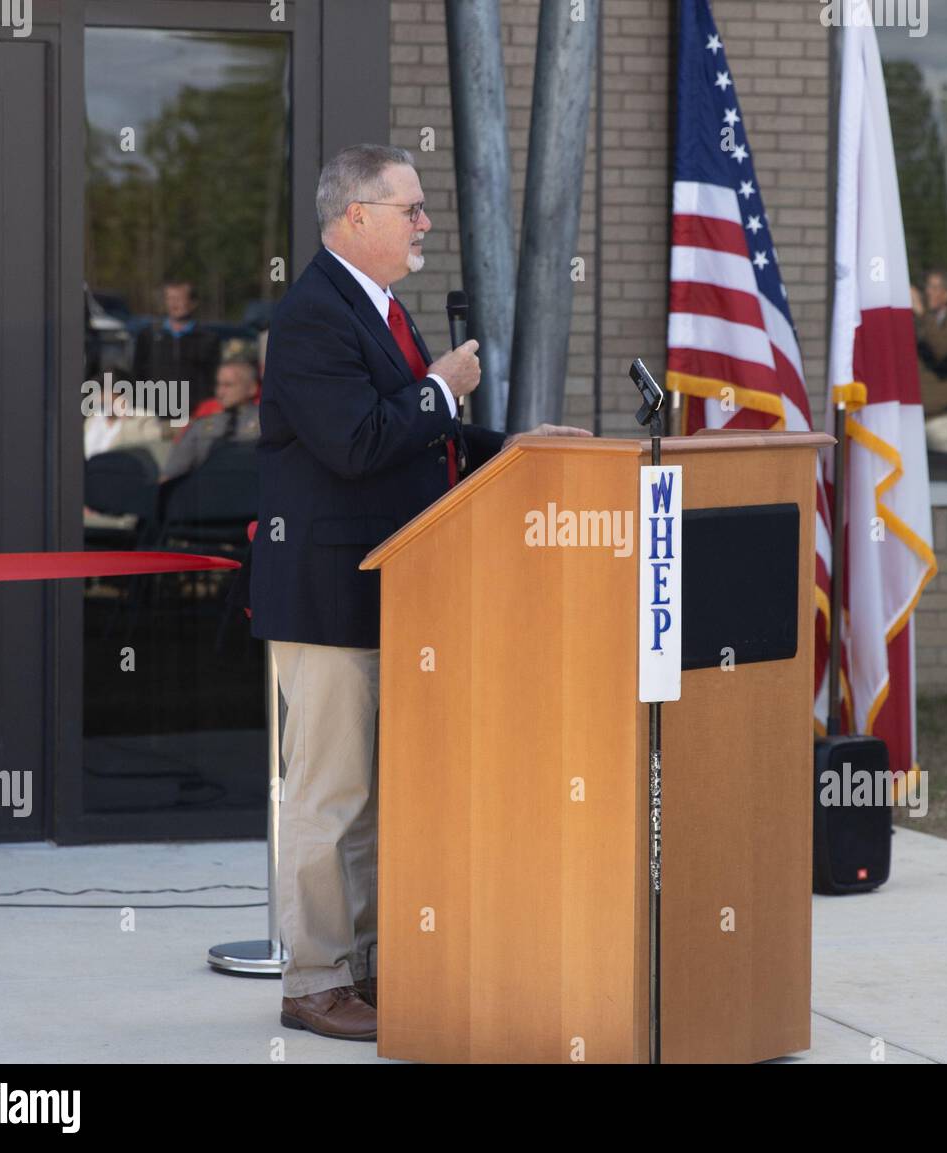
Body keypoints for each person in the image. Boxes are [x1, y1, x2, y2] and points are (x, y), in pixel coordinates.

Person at [250, 143, 590, 1042]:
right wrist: (442, 388)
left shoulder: (383, 307)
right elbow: (358, 443)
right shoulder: (314, 316)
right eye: (411, 208)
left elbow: (415, 441)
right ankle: (314, 979)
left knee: (373, 792)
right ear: (355, 216)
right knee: (327, 794)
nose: (425, 224)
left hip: (392, 592)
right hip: (328, 596)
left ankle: (363, 965)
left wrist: (516, 446)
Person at [158, 357, 261, 482]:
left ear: (252, 388)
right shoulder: (202, 425)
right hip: (209, 492)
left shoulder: (266, 422)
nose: (220, 392)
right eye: (219, 385)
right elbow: (173, 471)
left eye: (228, 385)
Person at [132, 279, 222, 407]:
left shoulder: (207, 338)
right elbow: (138, 374)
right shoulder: (148, 336)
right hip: (155, 413)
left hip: (193, 414)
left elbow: (213, 377)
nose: (174, 304)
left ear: (192, 303)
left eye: (179, 298)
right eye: (170, 298)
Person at [912, 269, 947, 453]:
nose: (929, 293)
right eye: (927, 287)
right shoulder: (922, 322)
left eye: (935, 288)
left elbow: (941, 350)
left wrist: (921, 312)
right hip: (916, 417)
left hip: (940, 419)